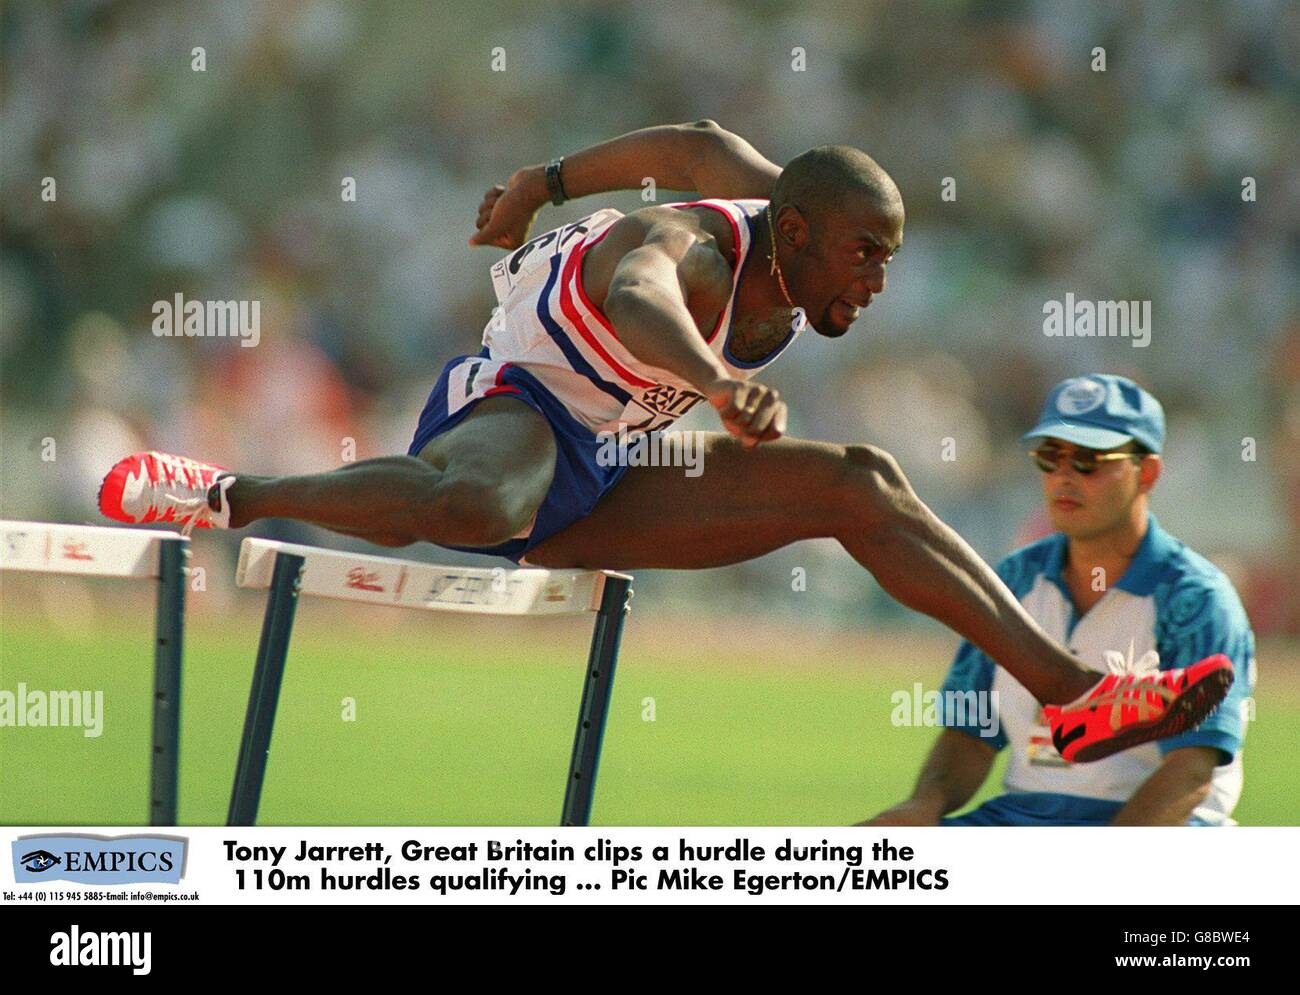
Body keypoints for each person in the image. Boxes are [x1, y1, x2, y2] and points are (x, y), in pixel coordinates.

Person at [97, 122, 1232, 762]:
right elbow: (637, 293)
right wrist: (717, 379)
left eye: (887, 257)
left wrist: (542, 181)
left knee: (862, 483)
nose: (877, 281)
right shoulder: (693, 251)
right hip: (520, 412)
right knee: (480, 506)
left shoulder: (778, 206)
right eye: (863, 255)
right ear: (795, 234)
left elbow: (695, 138)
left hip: (617, 461)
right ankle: (227, 494)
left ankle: (1071, 690)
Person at [867, 375, 1255, 825]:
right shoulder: (1013, 578)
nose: (1064, 476)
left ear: (1147, 472)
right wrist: (923, 806)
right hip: (1024, 817)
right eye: (1050, 457)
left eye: (1089, 460)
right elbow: (971, 733)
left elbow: (1190, 772)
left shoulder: (1196, 598)